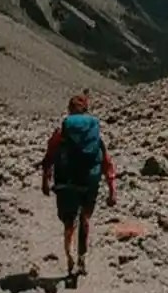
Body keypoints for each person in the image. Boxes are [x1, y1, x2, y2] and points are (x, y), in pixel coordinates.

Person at [41, 92, 116, 276]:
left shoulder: (62, 132)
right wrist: (112, 189)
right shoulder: (94, 134)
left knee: (68, 222)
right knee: (85, 218)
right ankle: (82, 259)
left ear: (69, 110)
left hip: (66, 180)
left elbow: (49, 156)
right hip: (89, 180)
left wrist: (45, 179)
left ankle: (69, 258)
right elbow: (107, 161)